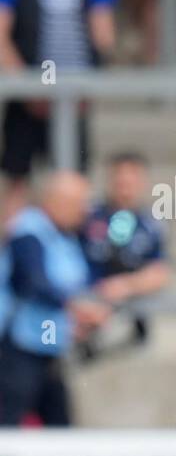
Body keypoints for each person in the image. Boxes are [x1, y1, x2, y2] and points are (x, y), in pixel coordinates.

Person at [0, 0, 117, 221]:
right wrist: (26, 86)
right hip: (28, 96)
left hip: (74, 92)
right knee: (17, 176)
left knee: (74, 177)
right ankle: (12, 255)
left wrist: (91, 82)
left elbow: (103, 29)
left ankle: (73, 249)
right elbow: (1, 31)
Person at [0, 171, 110, 426]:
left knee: (58, 424)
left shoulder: (66, 237)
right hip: (20, 348)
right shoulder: (28, 230)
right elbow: (33, 283)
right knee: (10, 420)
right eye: (79, 203)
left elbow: (82, 281)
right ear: (57, 201)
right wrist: (76, 307)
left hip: (50, 349)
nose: (84, 211)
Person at [79, 152, 170, 356]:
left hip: (127, 308)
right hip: (84, 305)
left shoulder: (151, 225)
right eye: (119, 181)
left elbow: (160, 272)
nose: (125, 188)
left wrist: (124, 286)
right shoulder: (86, 217)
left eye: (131, 181)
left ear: (142, 183)